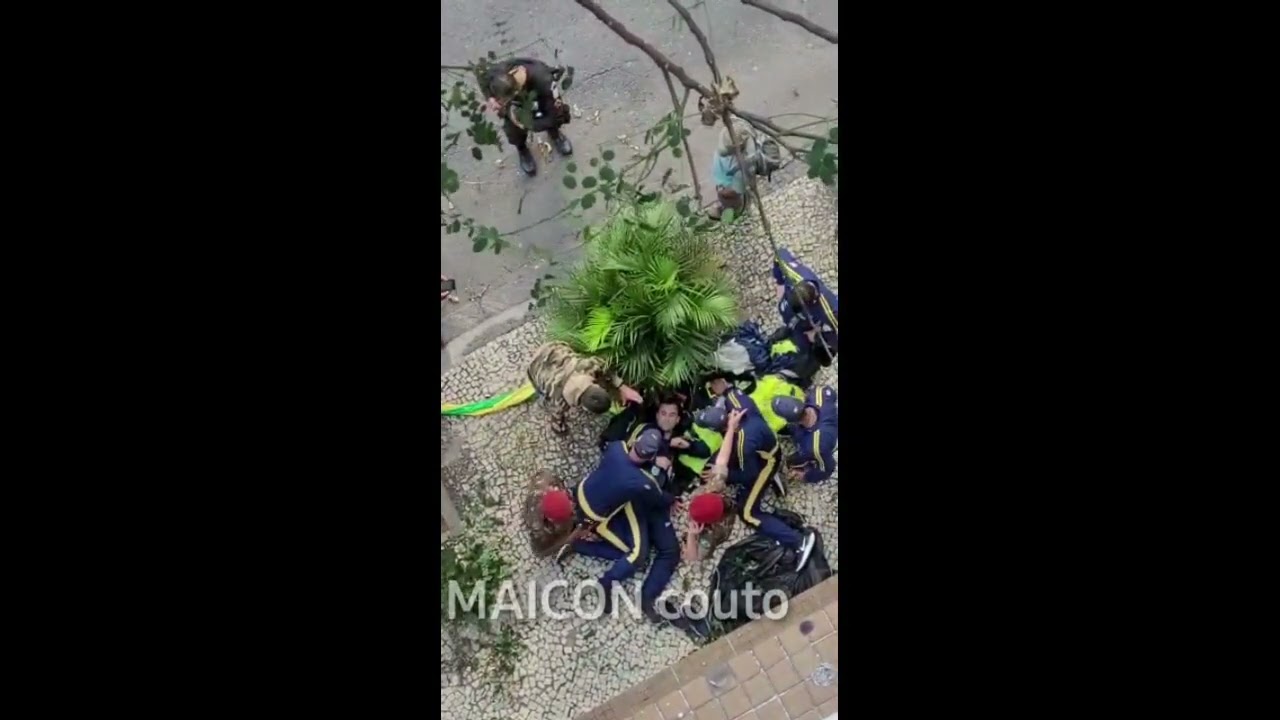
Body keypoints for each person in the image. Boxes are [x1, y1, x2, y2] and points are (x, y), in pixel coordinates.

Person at [542, 430, 681, 617]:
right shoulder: (641, 481)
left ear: (635, 442)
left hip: (584, 495)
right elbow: (658, 497)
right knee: (638, 555)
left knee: (623, 550)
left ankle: (579, 546)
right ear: (652, 455)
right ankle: (606, 582)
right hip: (596, 517)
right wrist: (670, 489)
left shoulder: (617, 447)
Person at [695, 406, 816, 570]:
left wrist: (727, 476)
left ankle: (798, 541)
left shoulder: (743, 445)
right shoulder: (738, 415)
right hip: (760, 450)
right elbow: (727, 452)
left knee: (747, 513)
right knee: (710, 468)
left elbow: (749, 475)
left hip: (765, 464)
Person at [480, 57, 573, 177]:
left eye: (503, 100)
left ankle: (555, 134)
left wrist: (528, 125)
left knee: (553, 119)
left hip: (541, 100)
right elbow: (484, 81)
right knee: (513, 131)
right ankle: (522, 149)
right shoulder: (497, 73)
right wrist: (490, 98)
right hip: (516, 106)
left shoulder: (543, 80)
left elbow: (554, 114)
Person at [527, 341, 643, 435]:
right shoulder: (559, 402)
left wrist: (622, 387)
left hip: (553, 349)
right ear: (585, 409)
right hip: (535, 368)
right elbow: (557, 419)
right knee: (543, 394)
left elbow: (602, 364)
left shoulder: (586, 366)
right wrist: (560, 429)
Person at [771, 247, 839, 361]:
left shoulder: (831, 309)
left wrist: (816, 335)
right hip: (788, 312)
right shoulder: (795, 275)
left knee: (803, 349)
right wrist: (780, 283)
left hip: (808, 325)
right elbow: (780, 255)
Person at [771, 386, 839, 485]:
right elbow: (831, 393)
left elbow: (827, 468)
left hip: (825, 442)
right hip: (830, 422)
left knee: (792, 461)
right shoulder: (819, 393)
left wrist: (806, 476)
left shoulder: (814, 446)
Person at [708, 120, 755, 221]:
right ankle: (740, 208)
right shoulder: (734, 159)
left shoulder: (721, 153)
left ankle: (738, 209)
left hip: (727, 185)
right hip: (730, 186)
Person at [523, 469, 575, 557]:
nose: (572, 504)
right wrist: (569, 539)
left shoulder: (546, 481)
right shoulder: (539, 531)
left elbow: (544, 473)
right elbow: (540, 553)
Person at [680, 490, 737, 563]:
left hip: (714, 535)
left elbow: (693, 557)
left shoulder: (710, 535)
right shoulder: (717, 499)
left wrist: (691, 535)